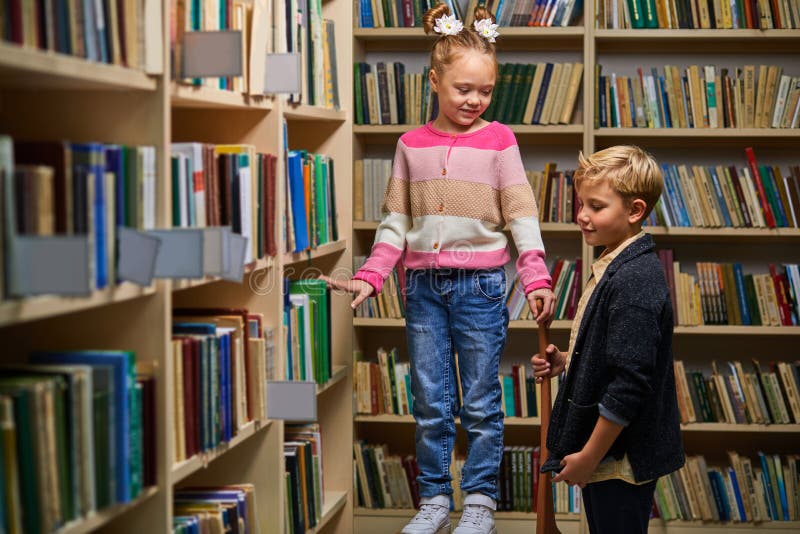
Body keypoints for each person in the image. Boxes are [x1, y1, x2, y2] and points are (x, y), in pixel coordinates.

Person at [322, 4, 555, 533]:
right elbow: (394, 223)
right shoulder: (410, 146)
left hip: (481, 287)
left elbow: (522, 217)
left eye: (485, 91)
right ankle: (433, 501)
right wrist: (371, 275)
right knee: (430, 402)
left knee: (479, 400)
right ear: (434, 81)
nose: (474, 100)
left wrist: (536, 277)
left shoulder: (501, 142)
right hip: (423, 288)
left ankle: (478, 503)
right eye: (462, 89)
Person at [532, 145, 685, 533]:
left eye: (596, 206)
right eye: (581, 204)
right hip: (609, 457)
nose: (582, 216)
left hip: (618, 458)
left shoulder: (635, 280)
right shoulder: (614, 263)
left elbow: (630, 383)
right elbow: (614, 354)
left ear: (635, 211)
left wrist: (588, 456)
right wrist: (571, 361)